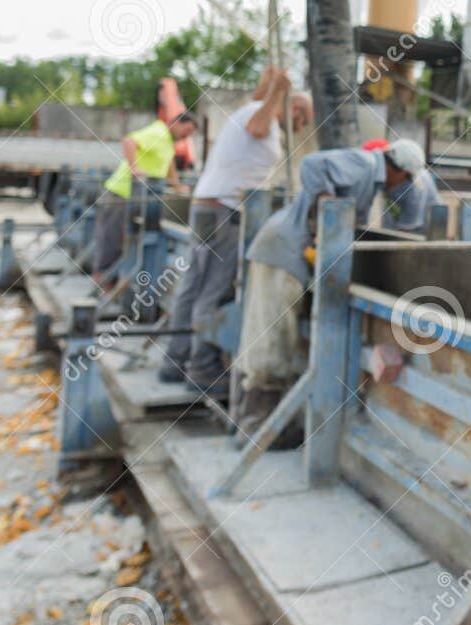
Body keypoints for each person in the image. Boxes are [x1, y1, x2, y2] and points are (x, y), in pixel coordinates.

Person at [232, 138, 430, 439]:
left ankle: (253, 422)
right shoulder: (365, 165)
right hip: (284, 251)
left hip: (288, 253)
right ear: (399, 171)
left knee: (271, 336)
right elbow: (313, 163)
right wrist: (327, 200)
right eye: (404, 180)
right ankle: (256, 428)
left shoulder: (371, 180)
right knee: (270, 340)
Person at [159, 67, 312, 392]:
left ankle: (174, 362)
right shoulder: (263, 119)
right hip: (224, 214)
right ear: (294, 108)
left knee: (192, 289)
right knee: (213, 291)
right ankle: (202, 373)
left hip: (207, 206)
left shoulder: (249, 110)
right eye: (302, 119)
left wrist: (268, 89)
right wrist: (277, 92)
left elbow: (255, 111)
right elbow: (258, 125)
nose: (300, 128)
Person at [92, 109, 195, 288]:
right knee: (111, 238)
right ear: (176, 123)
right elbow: (129, 141)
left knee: (125, 238)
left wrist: (177, 186)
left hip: (137, 197)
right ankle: (103, 282)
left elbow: (168, 163)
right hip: (122, 193)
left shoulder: (168, 142)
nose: (187, 136)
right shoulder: (159, 132)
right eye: (187, 130)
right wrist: (135, 168)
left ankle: (115, 282)